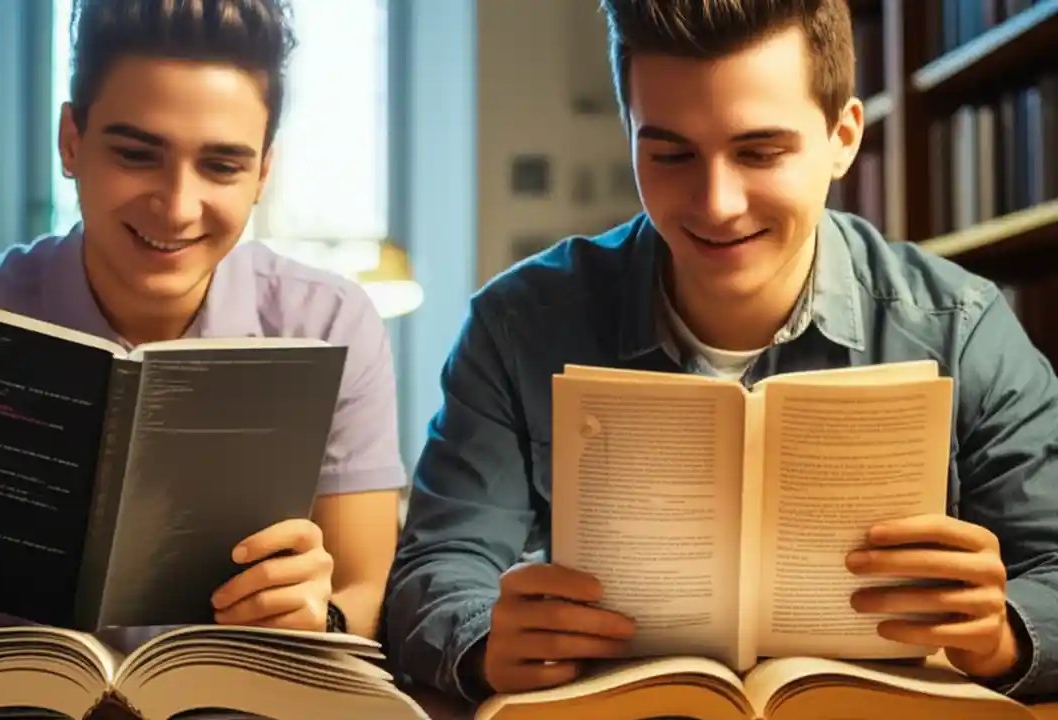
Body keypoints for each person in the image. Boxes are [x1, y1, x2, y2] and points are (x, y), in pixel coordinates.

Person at [384, 0, 1058, 704]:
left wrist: (1003, 630)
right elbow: (438, 565)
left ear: (843, 137)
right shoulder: (516, 324)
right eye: (671, 154)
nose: (716, 203)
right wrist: (487, 642)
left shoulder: (963, 327)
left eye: (759, 152)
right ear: (630, 136)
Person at [0, 0, 405, 678]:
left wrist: (322, 617)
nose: (177, 205)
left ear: (262, 173)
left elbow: (364, 595)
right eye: (137, 155)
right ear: (70, 141)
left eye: (222, 166)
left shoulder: (331, 324)